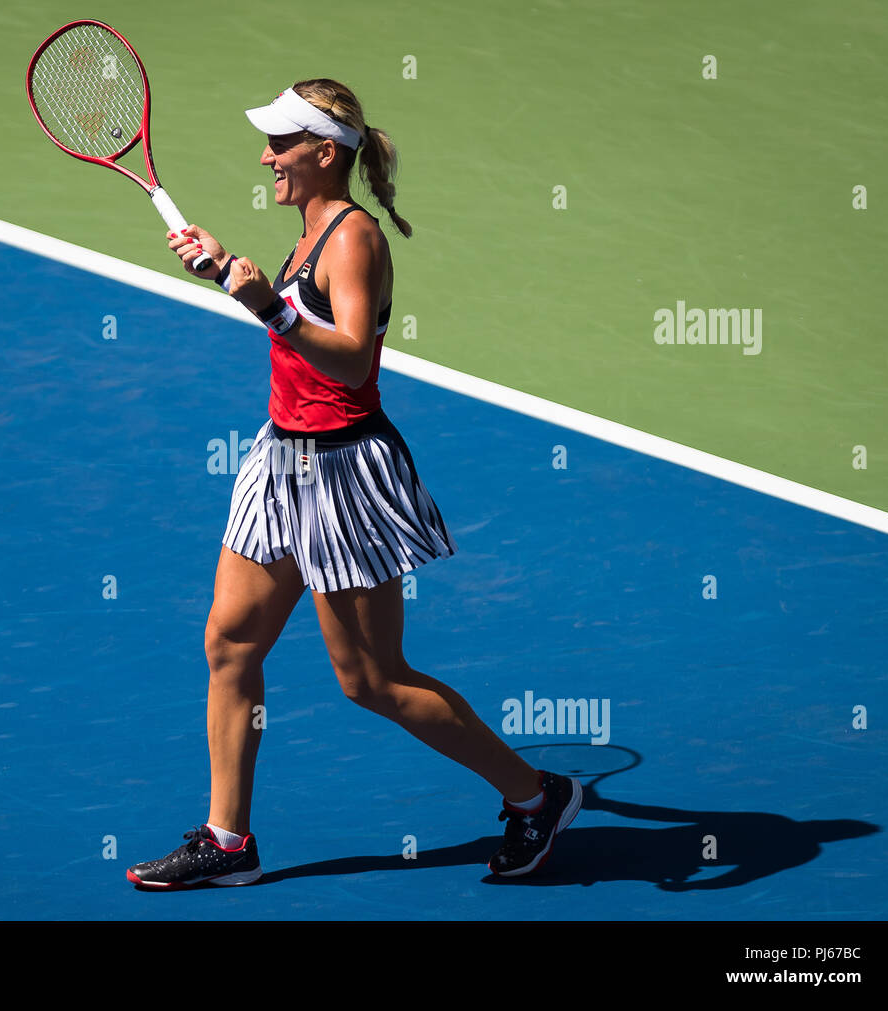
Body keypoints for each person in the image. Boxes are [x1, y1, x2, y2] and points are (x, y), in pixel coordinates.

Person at [126, 79, 580, 889]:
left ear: (324, 153)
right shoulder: (308, 230)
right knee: (229, 644)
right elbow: (292, 320)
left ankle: (537, 796)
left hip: (345, 475)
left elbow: (351, 358)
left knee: (372, 679)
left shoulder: (352, 239)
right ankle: (229, 841)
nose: (266, 157)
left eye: (280, 145)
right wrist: (228, 271)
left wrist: (270, 308)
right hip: (280, 462)